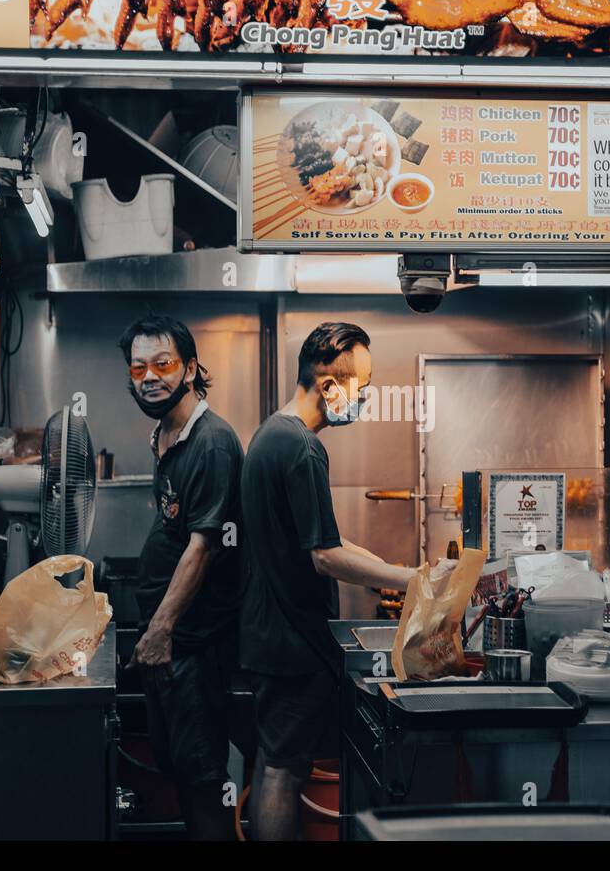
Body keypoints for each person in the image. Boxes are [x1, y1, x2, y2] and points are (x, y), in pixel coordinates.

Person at [240, 321, 455, 840]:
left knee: (275, 763)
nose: (365, 398)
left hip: (270, 637)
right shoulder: (303, 449)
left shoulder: (274, 435)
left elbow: (330, 541)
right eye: (362, 385)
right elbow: (325, 558)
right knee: (282, 770)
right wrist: (412, 582)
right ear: (329, 385)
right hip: (291, 642)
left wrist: (415, 574)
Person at [122, 314, 244, 841]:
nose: (150, 377)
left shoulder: (211, 443)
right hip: (171, 644)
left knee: (202, 778)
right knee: (178, 768)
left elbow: (204, 546)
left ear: (191, 368)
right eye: (138, 367)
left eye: (163, 364)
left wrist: (159, 630)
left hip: (193, 643)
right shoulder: (165, 433)